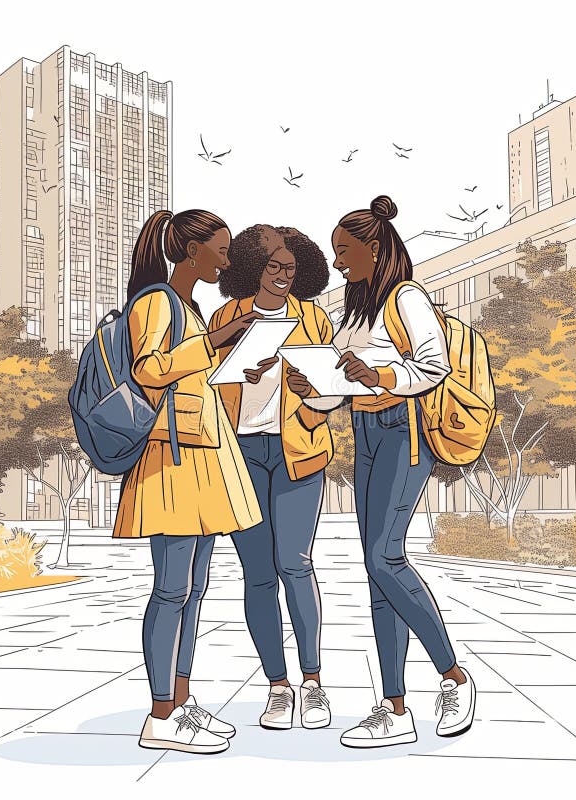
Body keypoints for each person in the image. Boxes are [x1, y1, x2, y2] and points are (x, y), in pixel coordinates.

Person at [297, 195, 476, 748]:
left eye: (346, 252)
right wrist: (317, 391)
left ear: (375, 248)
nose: (339, 263)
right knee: (378, 573)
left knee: (385, 556)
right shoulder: (353, 309)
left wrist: (378, 375)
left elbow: (433, 364)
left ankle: (454, 676)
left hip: (405, 430)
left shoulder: (407, 298)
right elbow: (344, 379)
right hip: (366, 433)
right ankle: (394, 706)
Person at [113, 209, 263, 755]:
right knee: (172, 588)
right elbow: (149, 369)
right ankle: (159, 715)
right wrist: (215, 339)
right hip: (171, 458)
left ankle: (181, 701)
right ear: (191, 251)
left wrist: (227, 355)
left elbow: (186, 370)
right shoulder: (156, 301)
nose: (226, 259)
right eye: (219, 250)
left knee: (194, 589)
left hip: (200, 453)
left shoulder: (189, 307)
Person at [210, 225, 334, 730]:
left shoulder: (315, 319)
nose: (283, 276)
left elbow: (332, 397)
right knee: (258, 574)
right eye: (273, 267)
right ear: (250, 269)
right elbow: (204, 384)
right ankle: (277, 687)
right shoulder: (225, 318)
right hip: (239, 452)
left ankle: (312, 682)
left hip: (298, 452)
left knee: (295, 564)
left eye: (290, 268)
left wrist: (310, 390)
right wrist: (240, 373)